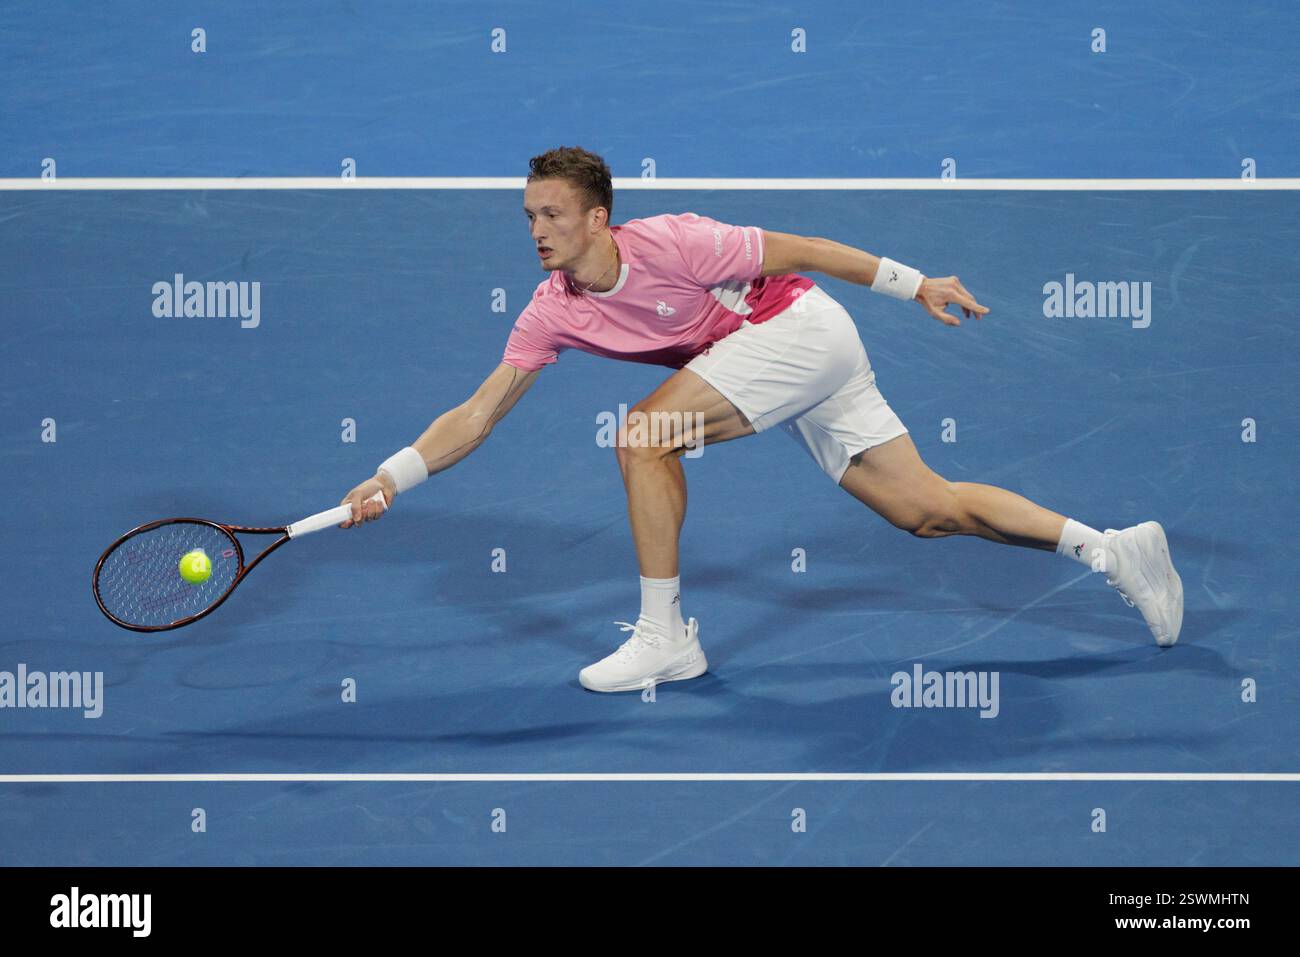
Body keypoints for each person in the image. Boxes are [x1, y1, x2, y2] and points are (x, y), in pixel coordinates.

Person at [340, 146, 1183, 693]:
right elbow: (480, 410)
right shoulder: (551, 309)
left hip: (802, 334)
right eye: (528, 216)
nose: (536, 230)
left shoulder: (675, 242)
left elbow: (807, 250)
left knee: (643, 435)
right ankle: (1113, 549)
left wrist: (916, 281)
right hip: (775, 368)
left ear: (598, 217)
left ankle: (665, 634)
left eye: (551, 214)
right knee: (928, 509)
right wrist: (391, 476)